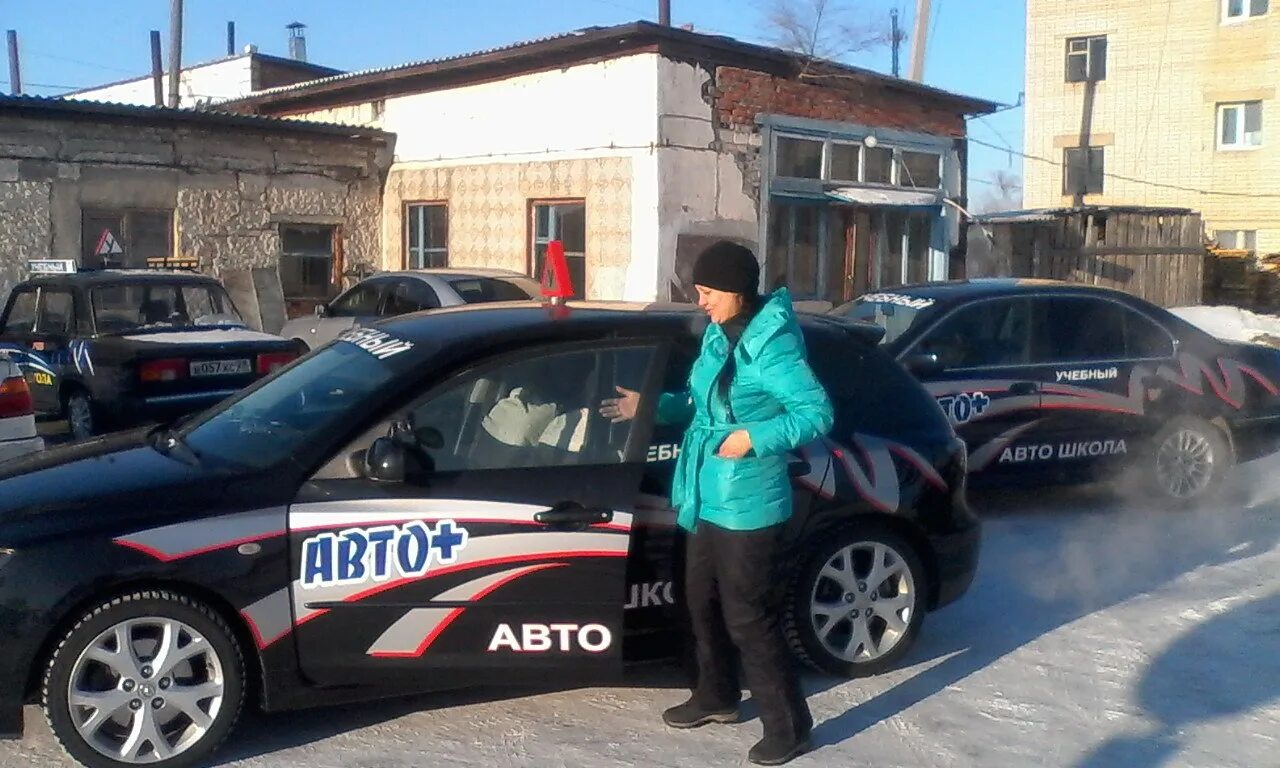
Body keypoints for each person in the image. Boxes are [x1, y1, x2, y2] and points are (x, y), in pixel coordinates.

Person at [599, 240, 834, 766]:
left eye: (707, 292)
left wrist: (755, 437)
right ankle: (717, 695)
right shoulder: (717, 334)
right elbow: (700, 403)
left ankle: (790, 725)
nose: (699, 300)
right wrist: (651, 406)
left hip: (750, 502)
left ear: (735, 289)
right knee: (696, 599)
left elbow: (817, 413)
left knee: (748, 616)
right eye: (698, 291)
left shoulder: (773, 346)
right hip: (704, 490)